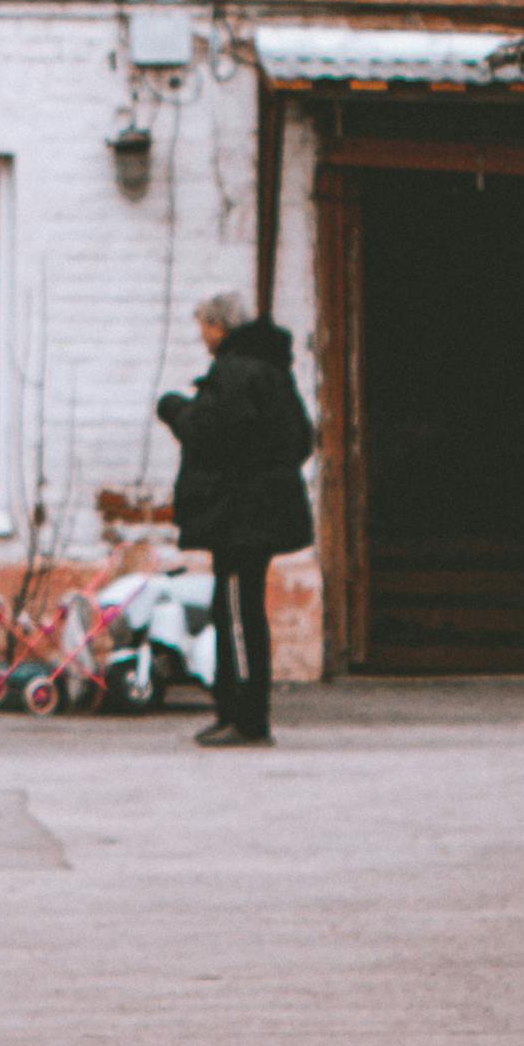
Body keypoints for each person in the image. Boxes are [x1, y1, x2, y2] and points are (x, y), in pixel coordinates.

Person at [153, 294, 316, 745]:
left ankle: (246, 719)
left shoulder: (234, 373)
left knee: (238, 615)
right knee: (236, 609)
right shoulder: (274, 372)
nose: (202, 336)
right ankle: (234, 714)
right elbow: (301, 439)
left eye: (204, 327)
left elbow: (203, 431)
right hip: (259, 515)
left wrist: (173, 408)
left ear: (220, 327)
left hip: (239, 519)